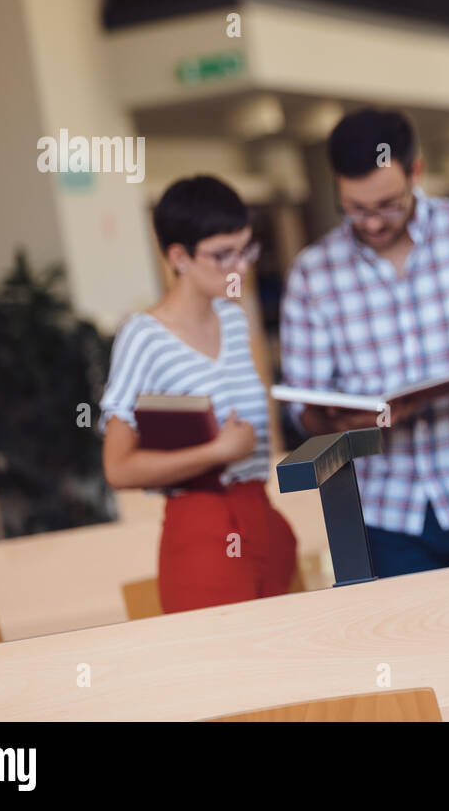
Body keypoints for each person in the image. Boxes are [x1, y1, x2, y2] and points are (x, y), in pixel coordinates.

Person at [279, 109, 449, 578]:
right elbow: (305, 409)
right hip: (384, 515)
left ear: (415, 171)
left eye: (388, 205)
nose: (373, 223)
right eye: (356, 209)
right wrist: (349, 419)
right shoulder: (313, 275)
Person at [100, 175, 297, 613]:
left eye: (246, 249)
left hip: (261, 518)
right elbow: (117, 469)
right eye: (223, 254)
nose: (240, 267)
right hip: (200, 537)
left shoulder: (236, 320)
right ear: (179, 257)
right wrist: (216, 452)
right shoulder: (144, 337)